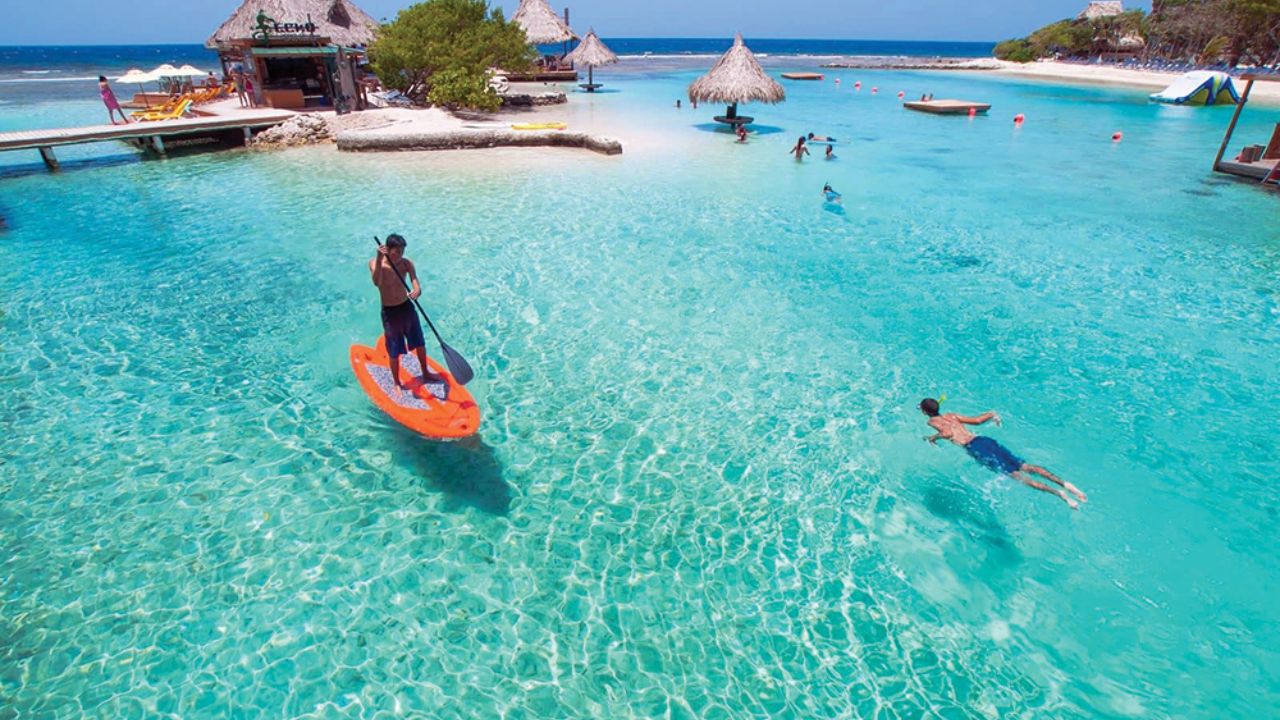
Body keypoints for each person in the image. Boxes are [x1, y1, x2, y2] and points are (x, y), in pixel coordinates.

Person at [919, 398, 1088, 509]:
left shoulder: (932, 421)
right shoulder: (951, 415)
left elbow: (948, 433)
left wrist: (933, 437)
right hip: (983, 440)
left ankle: (1060, 495)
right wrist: (992, 415)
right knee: (1024, 466)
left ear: (925, 411)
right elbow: (977, 420)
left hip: (975, 449)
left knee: (1017, 476)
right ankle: (1065, 484)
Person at [369, 234, 439, 389]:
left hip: (406, 307)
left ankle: (425, 372)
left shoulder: (406, 263)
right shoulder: (375, 263)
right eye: (397, 251)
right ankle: (396, 382)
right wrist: (380, 258)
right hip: (390, 312)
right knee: (394, 349)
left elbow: (414, 279)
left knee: (419, 341)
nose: (401, 255)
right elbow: (376, 282)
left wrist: (417, 290)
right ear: (388, 249)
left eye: (402, 251)